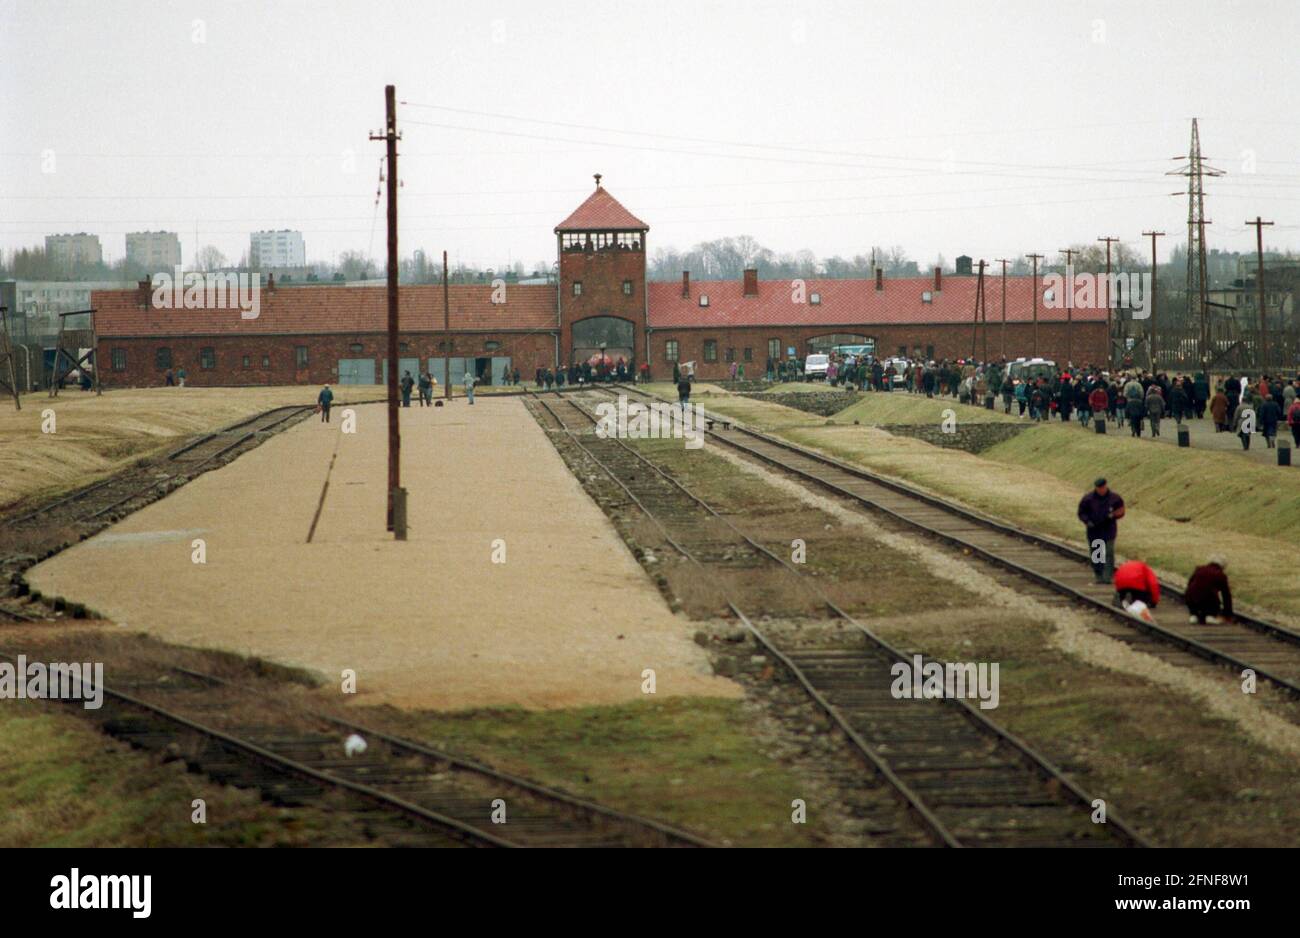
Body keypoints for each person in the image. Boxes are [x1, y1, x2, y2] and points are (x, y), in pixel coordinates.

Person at [1078, 478, 1125, 584]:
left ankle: (1107, 577)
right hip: (1094, 530)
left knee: (1108, 552)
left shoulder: (1114, 498)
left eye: (1103, 488)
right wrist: (1087, 521)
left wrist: (1113, 515)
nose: (1101, 490)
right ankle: (1099, 575)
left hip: (1108, 530)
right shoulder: (1088, 499)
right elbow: (1081, 512)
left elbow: (1121, 510)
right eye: (1099, 488)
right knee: (1097, 553)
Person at [1185, 557, 1232, 624]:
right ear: (1222, 566)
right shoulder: (1220, 575)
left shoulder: (1198, 569)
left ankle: (1194, 615)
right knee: (1210, 595)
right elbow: (1226, 595)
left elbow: (1189, 584)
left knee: (1194, 593)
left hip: (1190, 599)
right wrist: (1227, 614)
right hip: (1208, 601)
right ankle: (1210, 616)